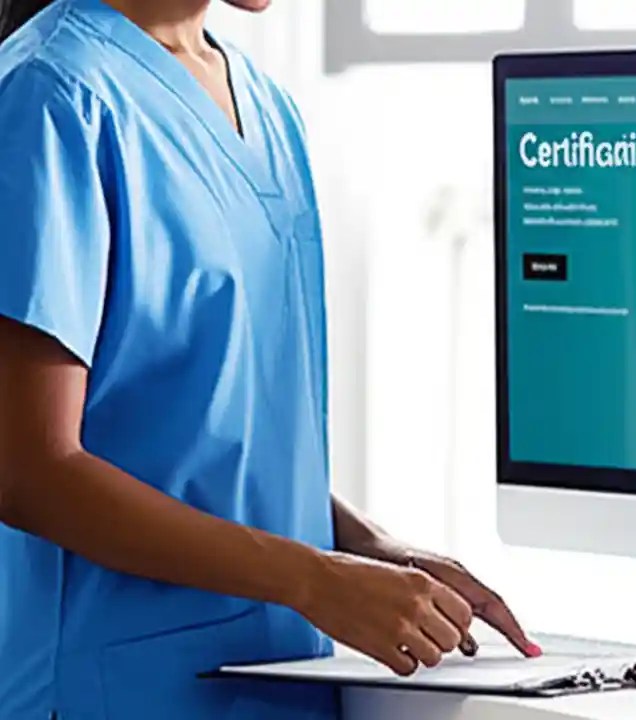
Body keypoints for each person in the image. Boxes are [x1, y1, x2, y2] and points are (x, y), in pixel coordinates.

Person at [0, 1, 537, 718]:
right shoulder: (53, 94)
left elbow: (218, 434)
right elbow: (30, 470)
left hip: (272, 677)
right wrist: (314, 580)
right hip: (114, 687)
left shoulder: (267, 105)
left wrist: (369, 549)